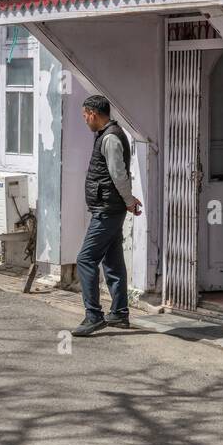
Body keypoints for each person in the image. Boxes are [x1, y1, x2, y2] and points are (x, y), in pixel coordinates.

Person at [72, 94, 143, 338]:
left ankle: (93, 315)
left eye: (84, 116)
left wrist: (130, 201)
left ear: (93, 113)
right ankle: (120, 313)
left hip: (107, 210)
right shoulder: (106, 134)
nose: (84, 121)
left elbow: (119, 174)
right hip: (109, 207)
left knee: (85, 259)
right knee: (112, 260)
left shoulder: (111, 137)